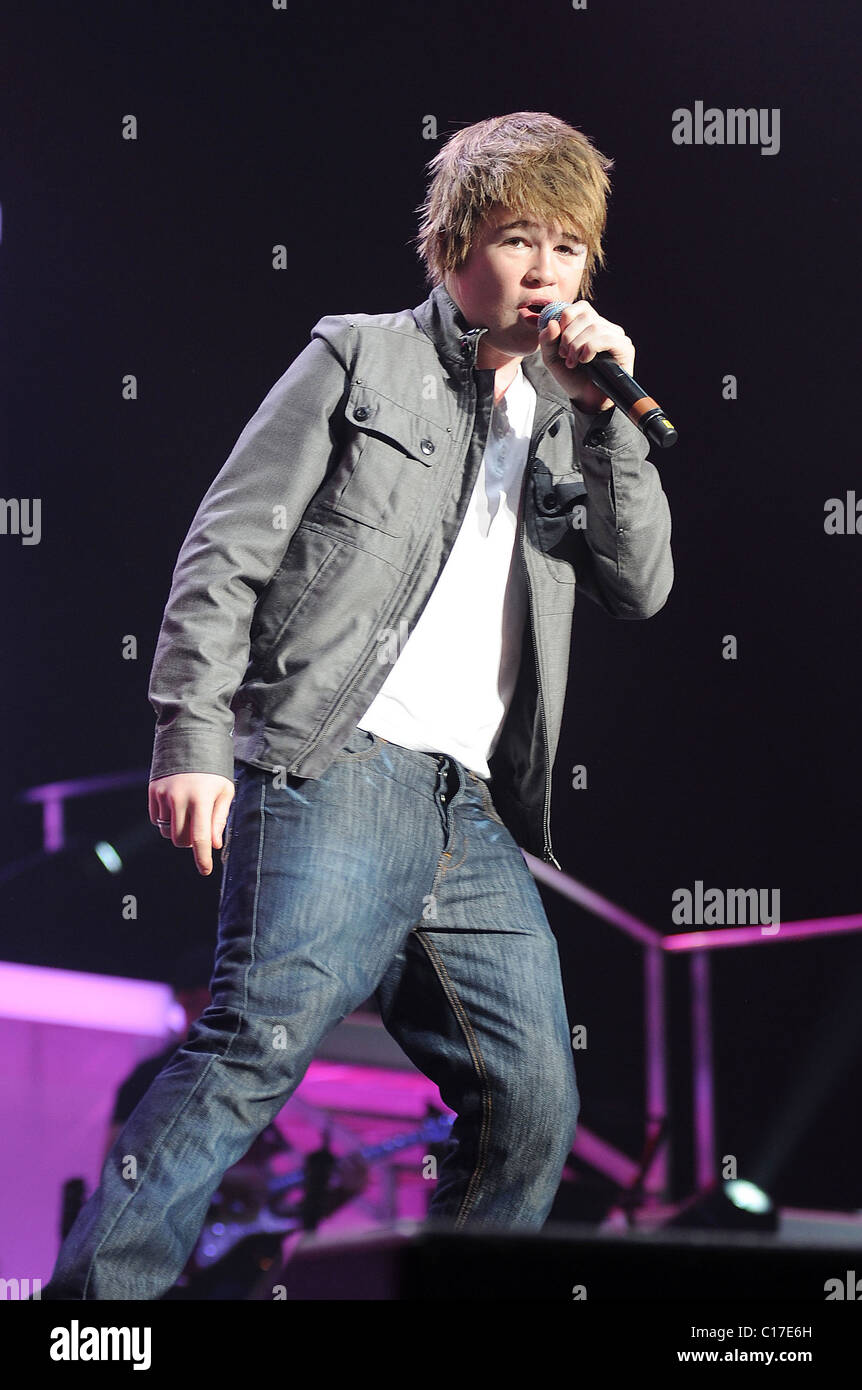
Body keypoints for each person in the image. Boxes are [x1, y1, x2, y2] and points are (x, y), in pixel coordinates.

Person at [42, 110, 673, 1299]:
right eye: (518, 237)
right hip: (332, 763)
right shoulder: (358, 355)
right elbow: (222, 552)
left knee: (533, 1097)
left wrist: (605, 421)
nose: (545, 269)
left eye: (570, 248)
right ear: (450, 249)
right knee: (251, 1053)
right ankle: (91, 1323)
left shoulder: (570, 414)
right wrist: (192, 736)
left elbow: (639, 582)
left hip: (469, 809)